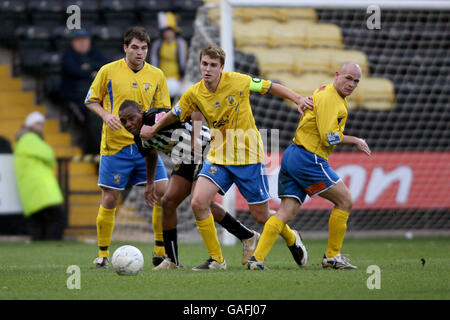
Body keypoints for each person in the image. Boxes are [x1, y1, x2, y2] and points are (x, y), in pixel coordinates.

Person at [140, 45, 313, 270]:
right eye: (205, 64)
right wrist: (154, 130)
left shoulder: (238, 81)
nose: (208, 69)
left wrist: (298, 98)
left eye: (213, 65)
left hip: (248, 155)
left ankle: (291, 237)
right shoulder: (194, 92)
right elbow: (175, 112)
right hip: (218, 154)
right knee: (198, 201)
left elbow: (270, 87)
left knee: (261, 215)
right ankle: (217, 260)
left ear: (222, 67)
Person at [247, 62, 372, 270]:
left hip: (293, 154)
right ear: (337, 75)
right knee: (345, 200)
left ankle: (256, 259)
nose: (351, 84)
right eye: (348, 78)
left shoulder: (324, 91)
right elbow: (327, 138)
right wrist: (355, 140)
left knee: (285, 212)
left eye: (356, 81)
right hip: (309, 158)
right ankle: (332, 256)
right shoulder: (332, 99)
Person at [119, 100, 260, 269]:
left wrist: (194, 141)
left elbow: (195, 111)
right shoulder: (138, 136)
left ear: (141, 113)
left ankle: (220, 258)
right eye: (123, 121)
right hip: (186, 158)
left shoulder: (156, 117)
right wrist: (150, 183)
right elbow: (150, 155)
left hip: (205, 147)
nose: (128, 124)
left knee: (198, 201)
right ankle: (172, 261)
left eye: (131, 118)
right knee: (168, 202)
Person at [85, 26, 171, 268]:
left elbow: (163, 112)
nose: (139, 52)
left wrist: (154, 129)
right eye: (134, 47)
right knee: (110, 198)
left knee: (162, 192)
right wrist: (105, 114)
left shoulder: (157, 75)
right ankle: (102, 254)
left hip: (146, 146)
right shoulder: (108, 71)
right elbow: (91, 99)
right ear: (125, 48)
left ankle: (159, 251)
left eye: (143, 48)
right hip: (115, 146)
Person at [13, 112, 64, 241]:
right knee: (56, 218)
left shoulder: (22, 140)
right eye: (37, 123)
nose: (40, 127)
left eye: (41, 124)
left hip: (31, 190)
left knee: (38, 223)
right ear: (29, 125)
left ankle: (41, 244)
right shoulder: (30, 138)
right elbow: (48, 154)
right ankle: (52, 244)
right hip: (41, 188)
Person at [61, 28, 107, 154]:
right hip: (77, 97)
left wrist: (87, 68)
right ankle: (97, 153)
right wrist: (92, 71)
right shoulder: (68, 55)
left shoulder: (95, 52)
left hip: (99, 96)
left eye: (85, 40)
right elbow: (75, 70)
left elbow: (105, 66)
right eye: (79, 40)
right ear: (73, 42)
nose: (82, 43)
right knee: (94, 117)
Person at [150, 12, 188, 101]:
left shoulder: (180, 43)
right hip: (163, 79)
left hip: (177, 79)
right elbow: (154, 63)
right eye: (166, 31)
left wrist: (182, 77)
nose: (168, 33)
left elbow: (184, 62)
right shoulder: (158, 44)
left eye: (170, 31)